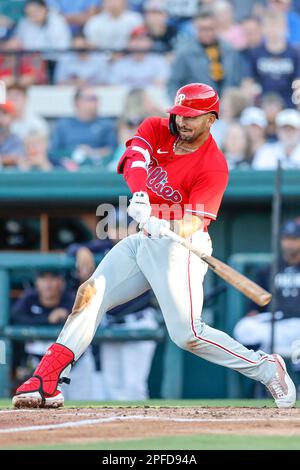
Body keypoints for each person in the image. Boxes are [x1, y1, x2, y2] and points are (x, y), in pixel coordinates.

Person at [12, 82, 296, 409]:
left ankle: (265, 367)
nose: (182, 122)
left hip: (182, 247)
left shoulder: (213, 165)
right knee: (92, 293)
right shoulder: (158, 128)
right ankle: (48, 379)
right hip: (143, 239)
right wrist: (141, 197)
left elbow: (196, 221)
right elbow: (133, 158)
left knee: (187, 334)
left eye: (192, 116)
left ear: (212, 119)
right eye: (179, 114)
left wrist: (166, 223)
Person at [234, 218, 300, 358]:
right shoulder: (269, 270)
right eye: (287, 238)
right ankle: (263, 367)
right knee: (244, 328)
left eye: (294, 239)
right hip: (277, 324)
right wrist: (253, 311)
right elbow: (255, 306)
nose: (290, 244)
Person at [167, 8, 243, 100]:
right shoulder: (185, 52)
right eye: (202, 29)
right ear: (196, 28)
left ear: (217, 27)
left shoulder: (229, 50)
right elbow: (174, 83)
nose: (207, 33)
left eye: (211, 29)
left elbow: (236, 81)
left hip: (227, 106)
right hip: (196, 106)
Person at [242, 11, 300, 107]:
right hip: (262, 104)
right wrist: (247, 102)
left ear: (285, 28)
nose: (273, 31)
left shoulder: (294, 53)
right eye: (269, 26)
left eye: (277, 26)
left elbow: (298, 81)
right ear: (263, 29)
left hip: (289, 104)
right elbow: (248, 81)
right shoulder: (255, 53)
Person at [49, 86, 117, 167]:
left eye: (96, 99)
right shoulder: (62, 126)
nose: (95, 103)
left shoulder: (106, 125)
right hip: (67, 172)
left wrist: (93, 153)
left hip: (98, 170)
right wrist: (66, 162)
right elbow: (53, 153)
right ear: (77, 102)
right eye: (90, 99)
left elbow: (113, 151)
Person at [0, 102, 25, 169]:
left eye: (4, 114)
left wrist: (4, 159)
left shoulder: (16, 140)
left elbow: (16, 158)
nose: (0, 118)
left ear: (12, 118)